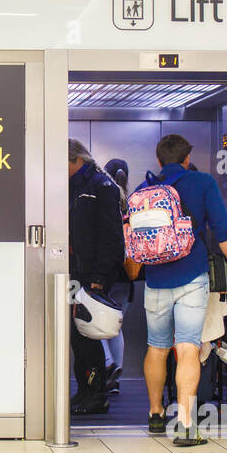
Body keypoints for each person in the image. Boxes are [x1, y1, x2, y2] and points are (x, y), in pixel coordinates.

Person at [141, 134, 227, 446]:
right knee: (187, 348)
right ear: (186, 159)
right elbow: (223, 230)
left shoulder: (146, 189)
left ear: (159, 161)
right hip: (192, 277)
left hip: (155, 278)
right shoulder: (203, 183)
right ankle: (184, 424)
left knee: (156, 348)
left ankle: (155, 415)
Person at [68, 139, 125, 414]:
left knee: (88, 336)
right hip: (75, 271)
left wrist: (99, 278)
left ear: (76, 160)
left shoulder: (101, 187)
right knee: (77, 336)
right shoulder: (75, 186)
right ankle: (85, 391)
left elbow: (111, 237)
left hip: (92, 273)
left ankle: (96, 394)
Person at [100, 158, 133, 396]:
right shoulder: (133, 204)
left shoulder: (104, 200)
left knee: (94, 322)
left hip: (105, 273)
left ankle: (108, 362)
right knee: (117, 327)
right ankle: (117, 373)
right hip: (127, 276)